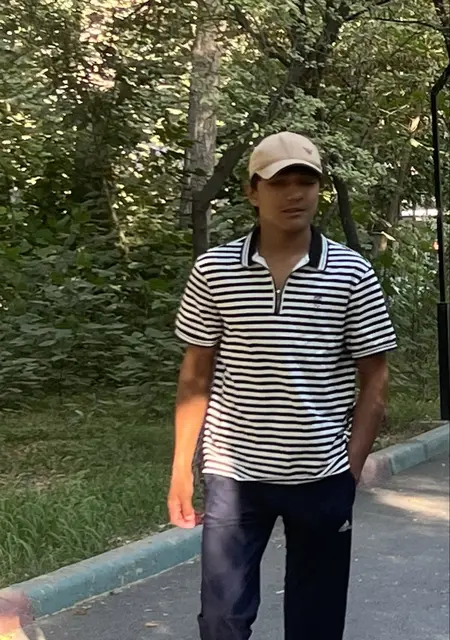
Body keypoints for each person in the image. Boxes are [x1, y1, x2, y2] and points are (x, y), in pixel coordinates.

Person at [168, 131, 397, 640]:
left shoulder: (352, 273)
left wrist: (349, 471)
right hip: (234, 475)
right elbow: (195, 375)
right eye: (279, 182)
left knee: (316, 624)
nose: (294, 194)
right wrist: (181, 470)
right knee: (222, 621)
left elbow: (375, 380)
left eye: (305, 182)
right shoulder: (214, 270)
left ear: (318, 190)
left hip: (321, 475)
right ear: (253, 191)